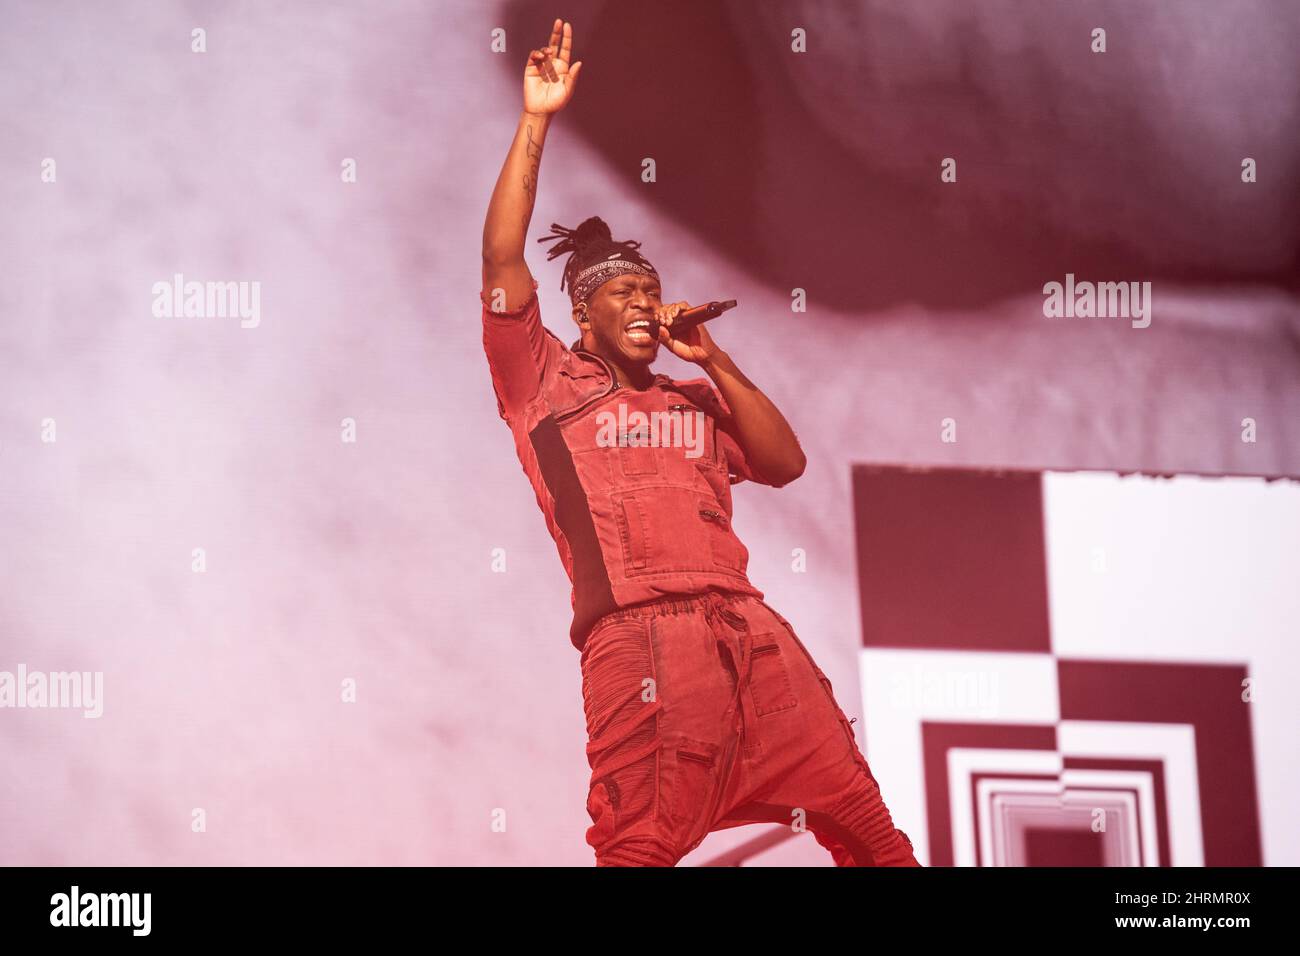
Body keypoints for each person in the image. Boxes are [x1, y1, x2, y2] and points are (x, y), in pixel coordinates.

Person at [480, 18, 920, 867]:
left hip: (753, 638)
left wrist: (712, 356)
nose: (647, 301)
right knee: (640, 845)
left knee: (868, 826)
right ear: (584, 313)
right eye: (626, 293)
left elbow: (785, 465)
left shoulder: (691, 398)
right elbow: (502, 258)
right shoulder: (543, 383)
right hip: (643, 644)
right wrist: (536, 120)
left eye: (654, 288)